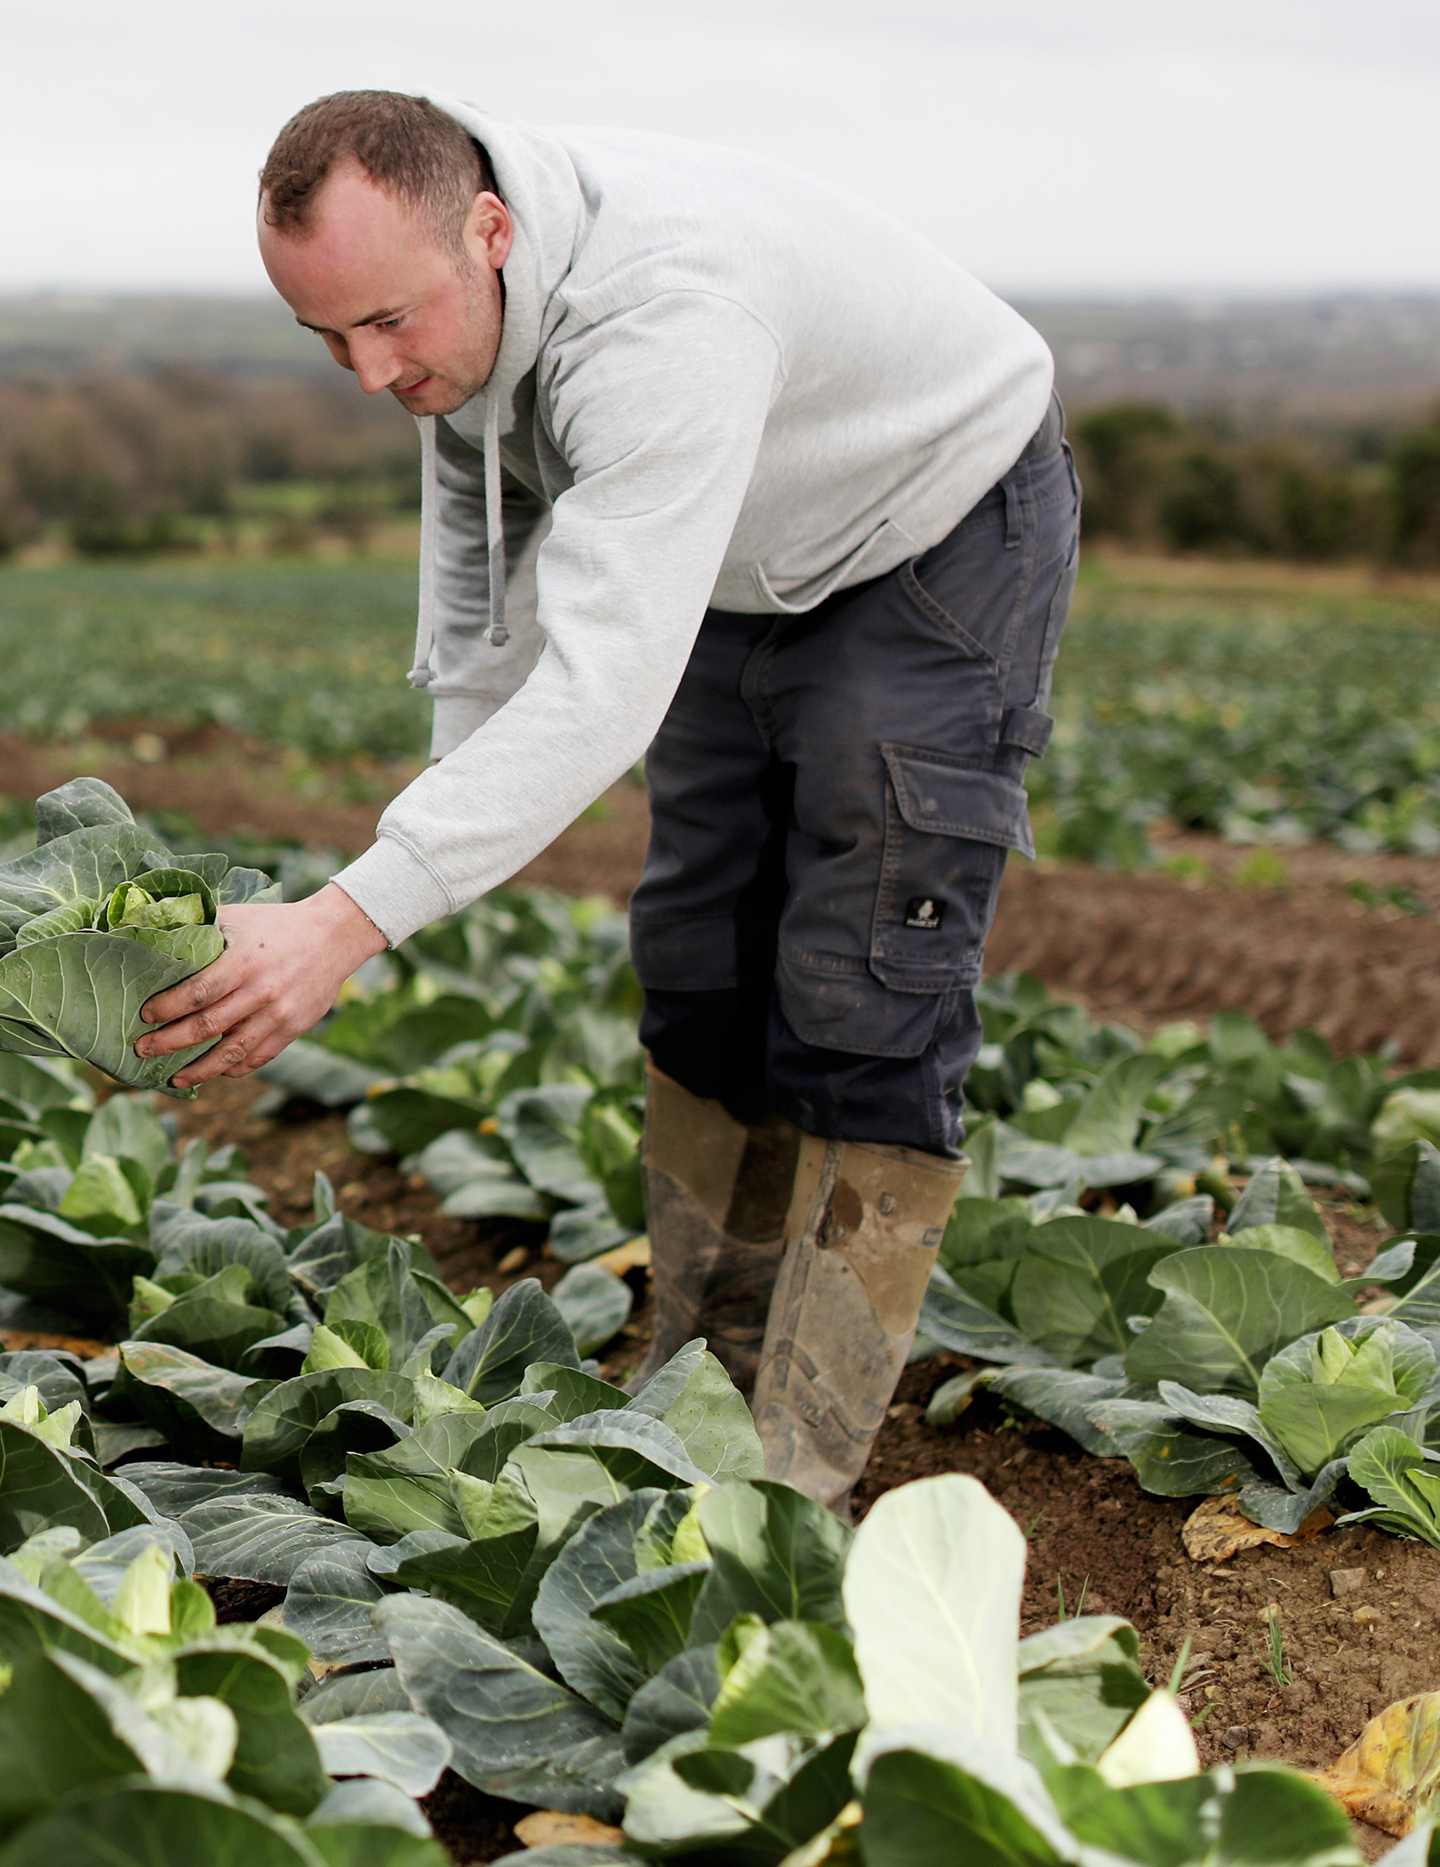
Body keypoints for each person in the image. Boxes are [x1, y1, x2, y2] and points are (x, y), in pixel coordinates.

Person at [136, 92, 1069, 1512]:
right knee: (698, 954)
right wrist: (405, 853)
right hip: (740, 550)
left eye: (386, 324)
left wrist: (347, 921)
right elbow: (482, 596)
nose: (369, 373)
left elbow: (598, 688)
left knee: (861, 974)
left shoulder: (661, 322)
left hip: (927, 531)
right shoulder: (463, 319)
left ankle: (790, 1470)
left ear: (490, 231)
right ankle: (705, 1373)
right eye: (328, 339)